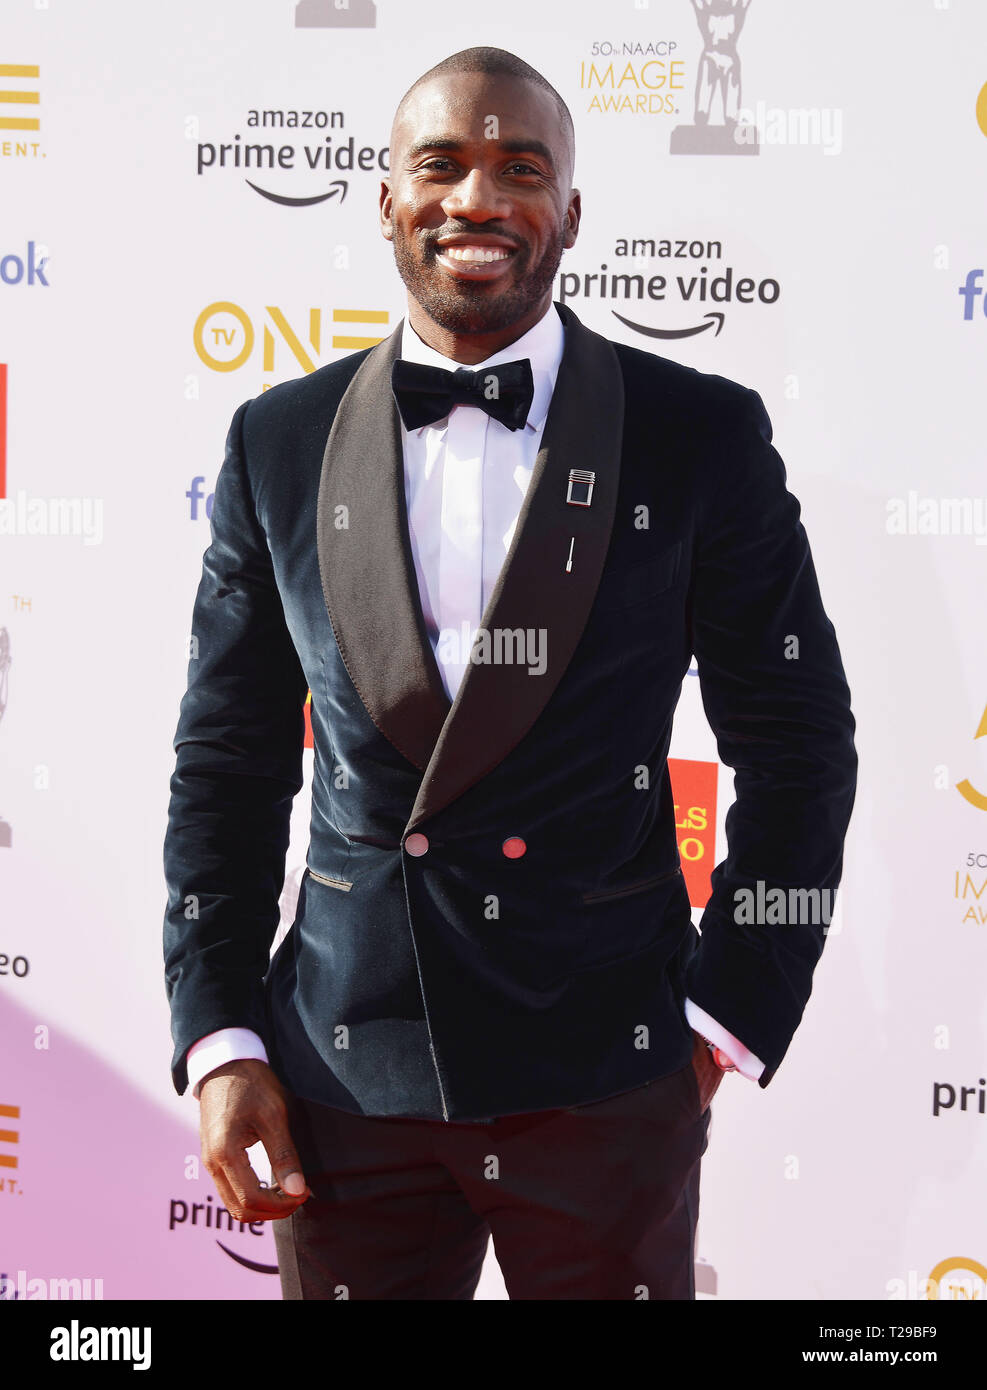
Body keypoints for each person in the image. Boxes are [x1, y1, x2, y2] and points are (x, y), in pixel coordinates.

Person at [163, 46, 857, 1300]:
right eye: (440, 163)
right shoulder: (277, 442)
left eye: (519, 168)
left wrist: (722, 1020)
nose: (476, 198)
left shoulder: (699, 433)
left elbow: (800, 739)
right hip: (340, 1077)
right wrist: (220, 1037)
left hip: (606, 1079)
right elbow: (227, 762)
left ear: (572, 213)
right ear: (384, 201)